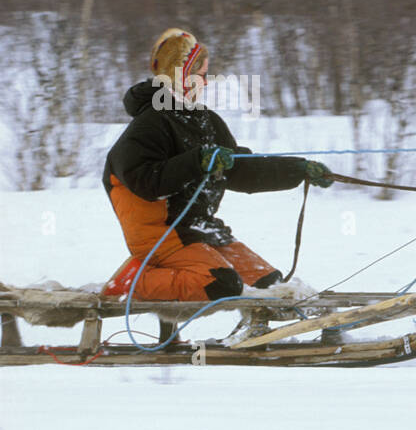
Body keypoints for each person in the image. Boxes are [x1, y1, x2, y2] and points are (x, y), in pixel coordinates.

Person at [102, 28, 334, 302]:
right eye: (201, 75)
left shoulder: (205, 121)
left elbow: (241, 170)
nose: (207, 83)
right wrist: (197, 161)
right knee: (221, 284)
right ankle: (133, 281)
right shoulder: (149, 124)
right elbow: (146, 182)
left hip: (199, 227)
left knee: (268, 284)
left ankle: (251, 338)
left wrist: (299, 170)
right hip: (161, 233)